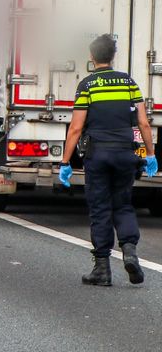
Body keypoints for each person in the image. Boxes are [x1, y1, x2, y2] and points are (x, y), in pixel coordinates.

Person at [59, 34, 158, 286]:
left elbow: (76, 128)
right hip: (126, 153)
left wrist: (65, 162)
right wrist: (150, 154)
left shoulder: (87, 85)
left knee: (101, 207)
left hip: (98, 155)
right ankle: (129, 251)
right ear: (113, 56)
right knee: (123, 204)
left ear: (92, 57)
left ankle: (102, 268)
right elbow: (144, 123)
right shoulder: (129, 83)